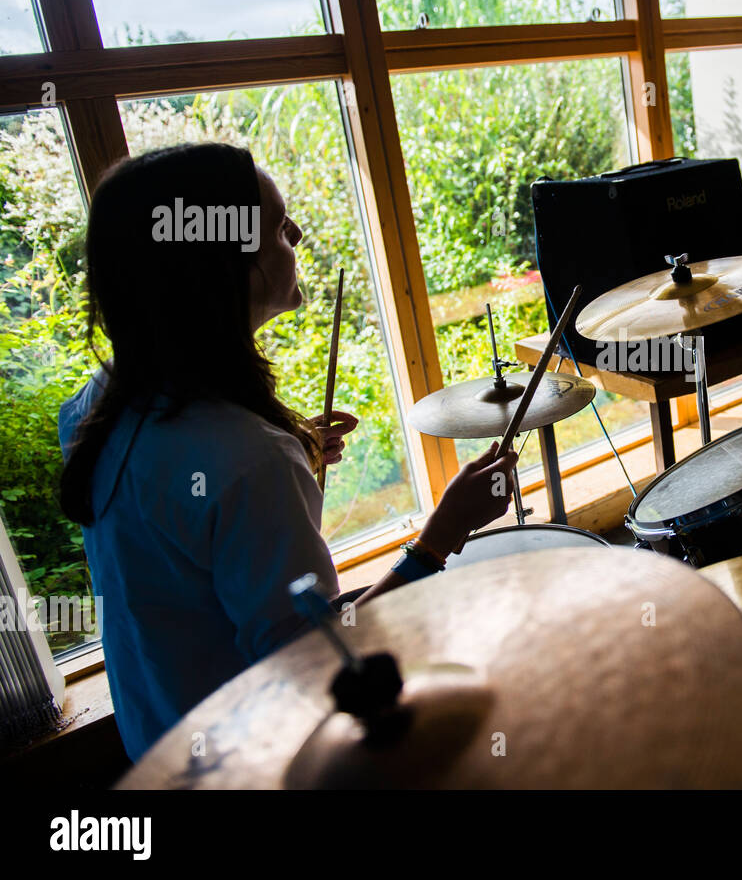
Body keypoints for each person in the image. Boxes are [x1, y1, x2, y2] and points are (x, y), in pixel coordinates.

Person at [57, 143, 516, 761]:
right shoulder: (250, 460)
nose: (296, 234)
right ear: (225, 270)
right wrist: (441, 535)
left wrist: (282, 452)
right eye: (278, 225)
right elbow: (318, 670)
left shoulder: (94, 404)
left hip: (159, 749)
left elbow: (185, 543)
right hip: (254, 763)